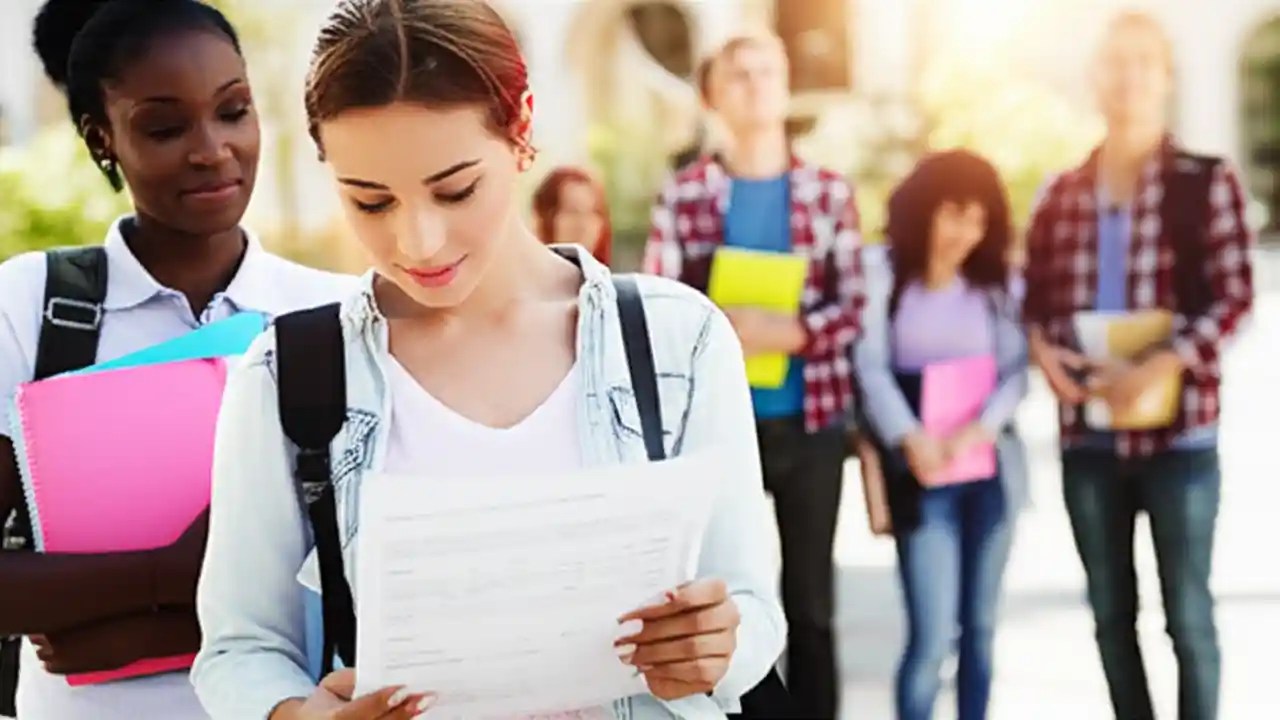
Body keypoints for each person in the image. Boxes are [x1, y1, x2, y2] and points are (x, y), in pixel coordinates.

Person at [190, 1, 786, 719]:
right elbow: (238, 649)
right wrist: (295, 715)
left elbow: (750, 608)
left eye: (456, 188)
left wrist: (718, 644)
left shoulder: (677, 340)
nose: (420, 242)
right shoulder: (288, 375)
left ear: (522, 127)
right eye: (370, 201)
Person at [0, 1, 354, 719]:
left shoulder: (334, 313)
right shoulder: (32, 306)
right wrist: (166, 573)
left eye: (234, 111)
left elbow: (373, 566)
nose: (212, 149)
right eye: (165, 127)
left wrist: (135, 624)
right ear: (103, 140)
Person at [1023, 12, 1255, 720]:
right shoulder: (1059, 194)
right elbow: (1031, 304)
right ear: (1096, 77)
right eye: (1114, 63)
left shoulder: (1204, 182)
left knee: (1188, 614)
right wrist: (1047, 356)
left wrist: (1164, 365)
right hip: (1087, 440)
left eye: (1142, 64)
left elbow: (1236, 295)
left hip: (1179, 439)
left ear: (1164, 78)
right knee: (1108, 615)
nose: (1127, 79)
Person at [643, 31, 863, 720]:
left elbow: (854, 304)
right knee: (725, 601)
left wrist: (788, 332)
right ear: (711, 96)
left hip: (810, 422)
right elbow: (656, 308)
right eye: (738, 74)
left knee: (812, 603)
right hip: (716, 434)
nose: (756, 83)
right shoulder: (682, 197)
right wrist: (715, 328)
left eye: (769, 70)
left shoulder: (829, 193)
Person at [854, 151, 1029, 720]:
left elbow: (1015, 371)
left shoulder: (995, 285)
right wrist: (911, 438)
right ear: (925, 210)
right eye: (954, 214)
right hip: (923, 479)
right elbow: (870, 366)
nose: (964, 233)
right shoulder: (883, 275)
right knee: (930, 638)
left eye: (978, 220)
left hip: (988, 475)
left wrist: (980, 428)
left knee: (979, 631)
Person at [531, 166, 612, 265]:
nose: (583, 225)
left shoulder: (609, 279)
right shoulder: (518, 276)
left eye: (593, 212)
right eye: (572, 211)